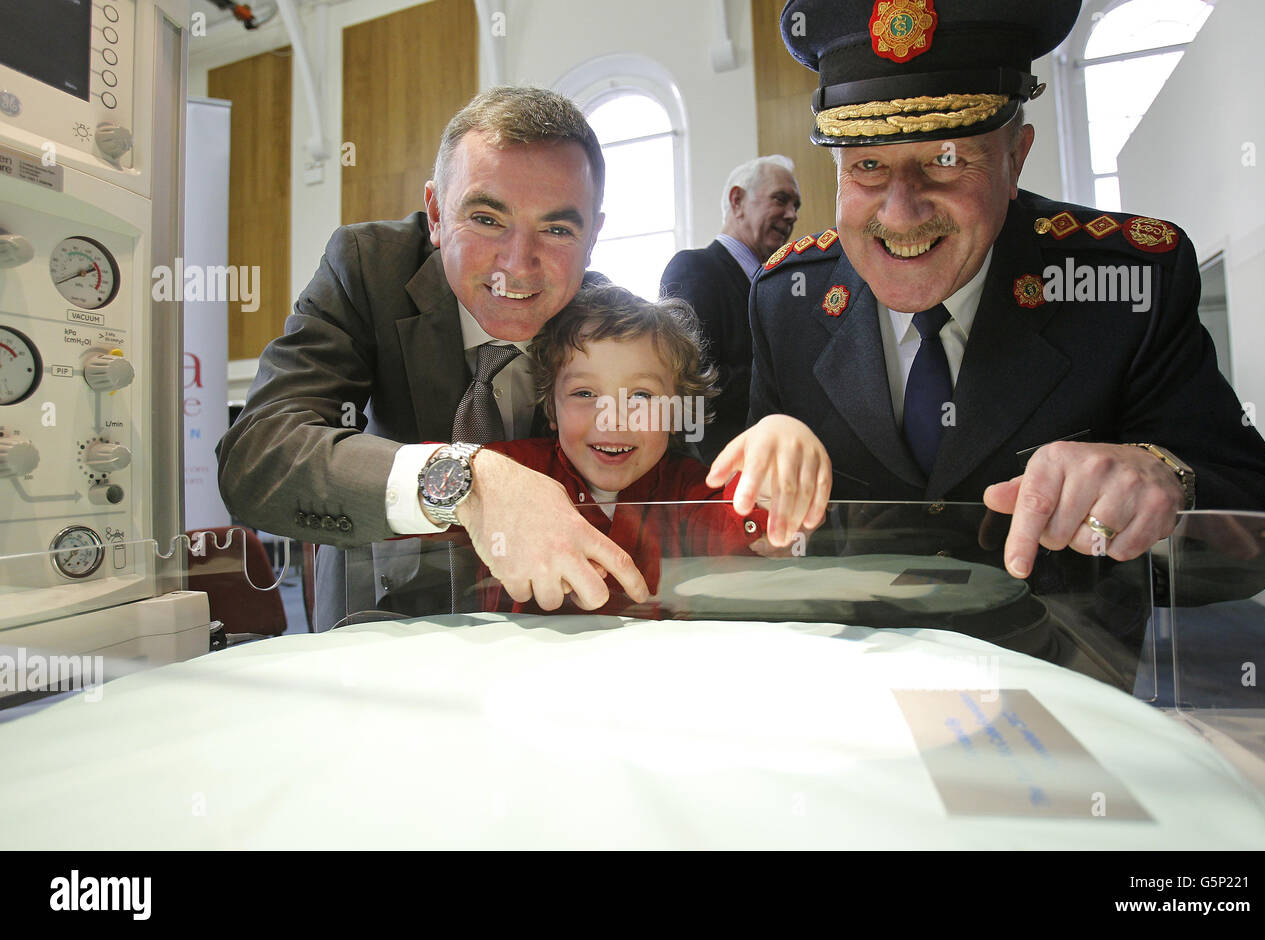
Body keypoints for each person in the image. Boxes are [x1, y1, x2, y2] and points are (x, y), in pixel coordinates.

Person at [748, 0, 1265, 584]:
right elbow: (752, 526)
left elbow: (1262, 521)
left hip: (1063, 665)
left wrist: (1165, 479)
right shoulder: (786, 303)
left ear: (1017, 157)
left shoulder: (1127, 285)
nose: (901, 214)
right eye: (869, 165)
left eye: (946, 160)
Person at [216, 86, 827, 626]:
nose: (519, 263)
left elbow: (675, 467)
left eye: (559, 230)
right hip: (381, 629)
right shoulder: (366, 268)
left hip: (548, 645)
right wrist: (464, 480)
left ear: (594, 235)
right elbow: (257, 456)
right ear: (434, 213)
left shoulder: (604, 320)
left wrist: (771, 467)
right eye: (486, 218)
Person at [470, 284, 820, 616]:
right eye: (585, 394)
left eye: (640, 396)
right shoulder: (511, 469)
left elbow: (744, 531)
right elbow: (425, 485)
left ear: (677, 412)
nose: (612, 420)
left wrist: (775, 462)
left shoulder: (692, 492)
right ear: (550, 409)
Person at [661, 156, 801, 463]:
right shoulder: (694, 267)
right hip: (716, 473)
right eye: (781, 199)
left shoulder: (777, 287)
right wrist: (796, 376)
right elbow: (690, 380)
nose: (791, 215)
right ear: (737, 200)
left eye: (796, 206)